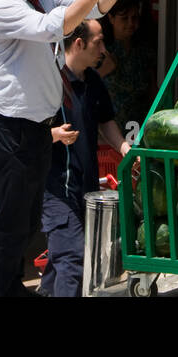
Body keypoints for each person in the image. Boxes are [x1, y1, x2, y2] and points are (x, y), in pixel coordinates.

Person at [0, 0, 146, 297]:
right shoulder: (3, 6)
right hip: (9, 127)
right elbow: (57, 26)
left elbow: (93, 9)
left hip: (37, 126)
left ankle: (8, 287)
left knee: (25, 221)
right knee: (10, 221)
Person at [40, 19, 132, 297]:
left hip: (86, 189)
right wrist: (54, 134)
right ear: (79, 44)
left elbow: (106, 121)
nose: (104, 49)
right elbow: (23, 135)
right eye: (98, 42)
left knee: (60, 264)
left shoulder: (92, 80)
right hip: (55, 192)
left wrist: (124, 148)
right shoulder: (48, 80)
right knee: (73, 260)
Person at [97, 0, 157, 133]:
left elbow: (152, 90)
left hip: (140, 126)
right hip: (109, 131)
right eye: (124, 18)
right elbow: (84, 87)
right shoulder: (100, 51)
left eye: (134, 18)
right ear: (111, 18)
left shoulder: (144, 52)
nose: (131, 23)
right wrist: (103, 70)